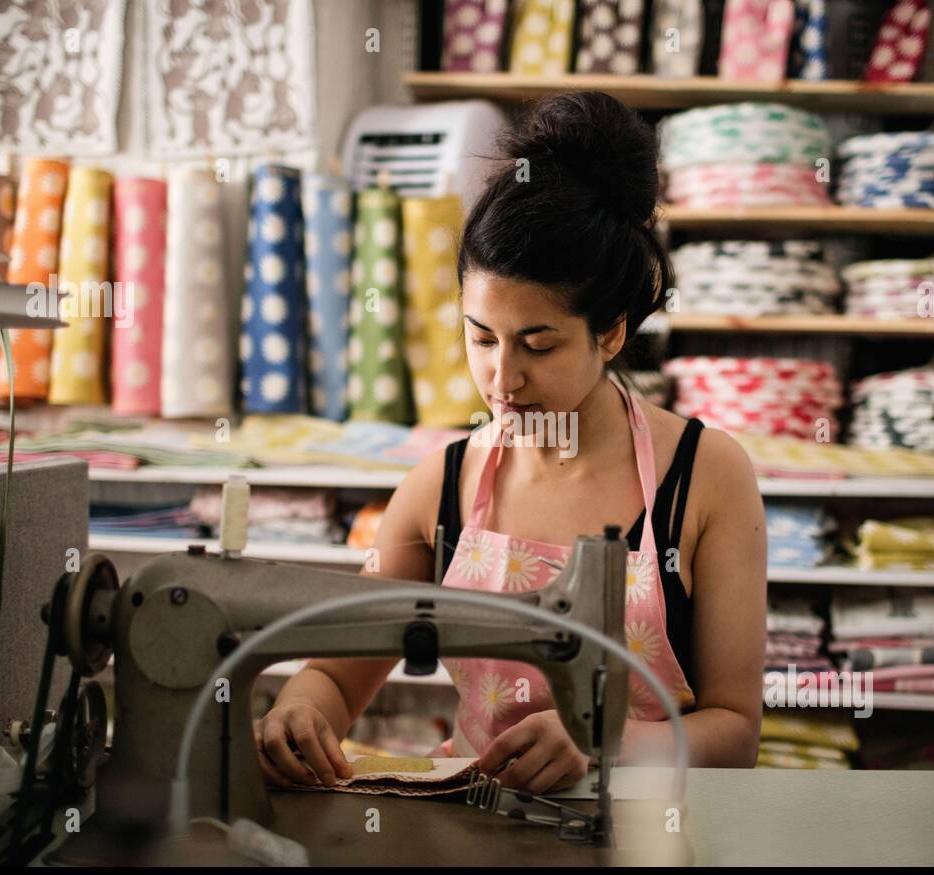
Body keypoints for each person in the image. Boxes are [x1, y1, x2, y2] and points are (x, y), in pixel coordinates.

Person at [256, 91, 767, 795]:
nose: (502, 379)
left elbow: (735, 733)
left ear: (611, 332)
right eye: (480, 338)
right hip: (476, 825)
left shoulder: (704, 475)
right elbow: (341, 674)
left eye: (538, 344)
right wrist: (303, 707)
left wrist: (602, 743)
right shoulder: (442, 484)